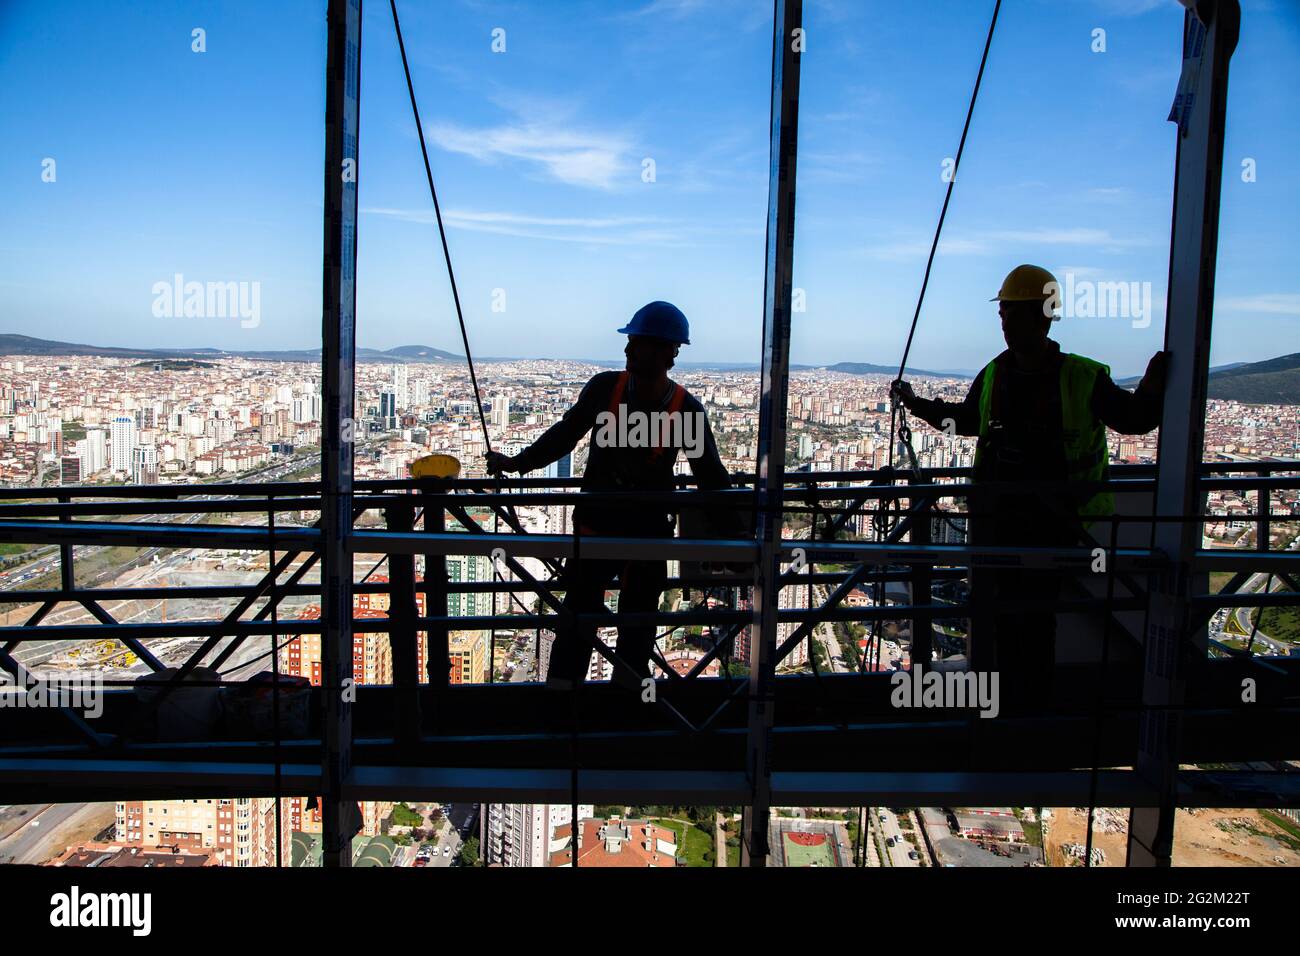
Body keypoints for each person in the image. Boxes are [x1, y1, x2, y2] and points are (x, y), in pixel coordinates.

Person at [890, 264, 1167, 713]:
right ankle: (1013, 716)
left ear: (1043, 315)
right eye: (1003, 314)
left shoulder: (1081, 376)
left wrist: (1154, 385)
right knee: (1004, 621)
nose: (1006, 324)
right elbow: (965, 420)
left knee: (1033, 623)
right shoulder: (996, 374)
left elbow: (1134, 420)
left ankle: (1025, 715)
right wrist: (917, 403)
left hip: (1049, 524)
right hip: (1005, 522)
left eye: (1013, 313)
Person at [485, 301, 735, 690]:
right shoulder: (679, 408)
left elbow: (711, 478)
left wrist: (519, 464)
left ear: (666, 352)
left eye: (636, 342)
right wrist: (517, 463)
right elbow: (565, 435)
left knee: (599, 620)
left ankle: (580, 702)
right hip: (634, 530)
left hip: (612, 525)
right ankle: (608, 704)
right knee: (609, 619)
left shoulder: (620, 393)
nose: (627, 350)